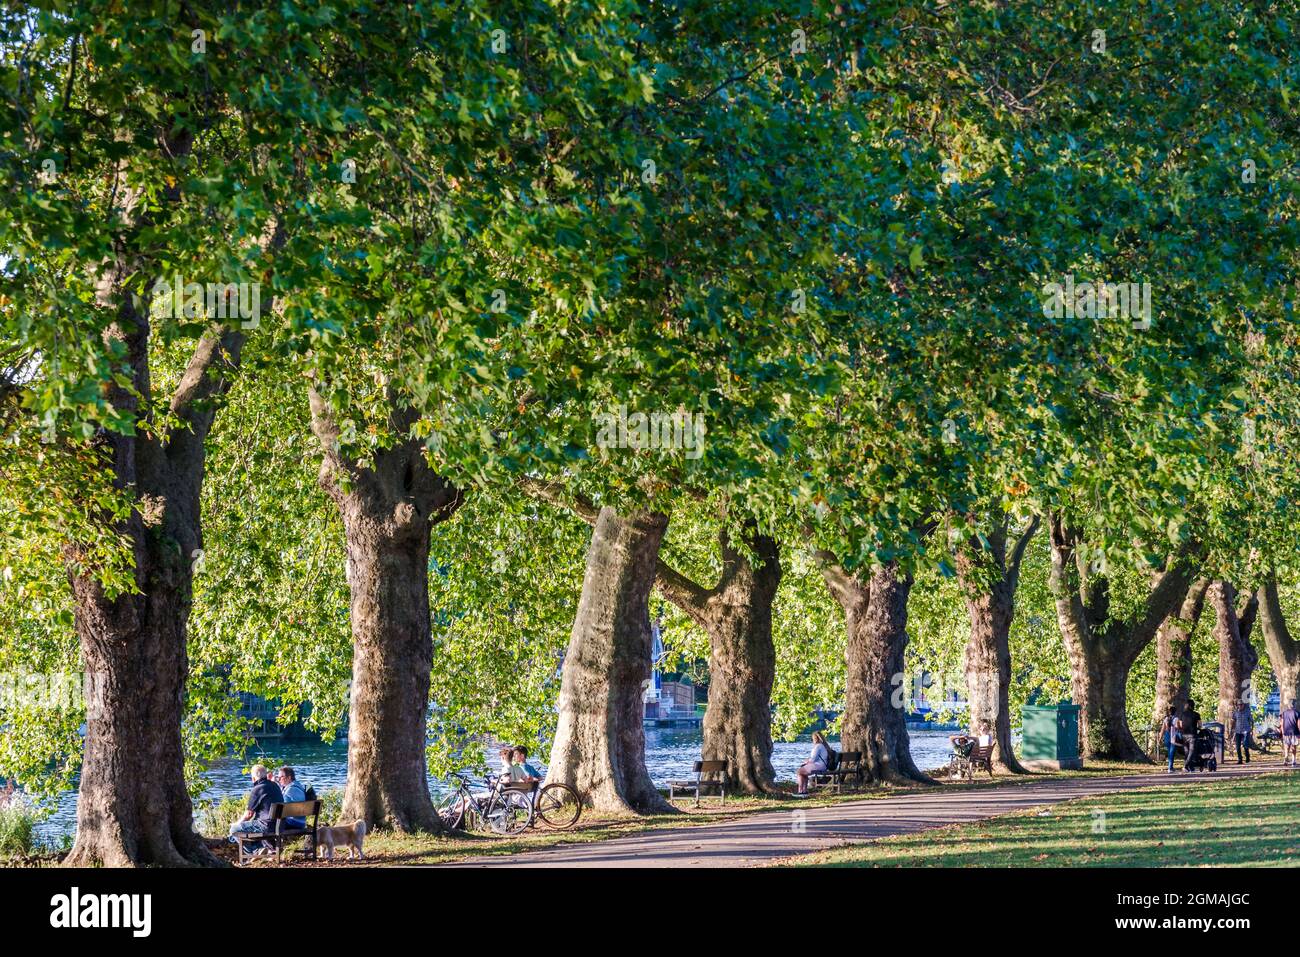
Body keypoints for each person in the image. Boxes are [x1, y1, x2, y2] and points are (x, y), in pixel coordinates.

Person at [229, 765, 283, 854]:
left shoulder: (257, 789)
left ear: (253, 778)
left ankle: (255, 852)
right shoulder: (275, 785)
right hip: (279, 825)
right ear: (265, 775)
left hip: (266, 826)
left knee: (234, 829)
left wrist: (237, 823)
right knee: (255, 822)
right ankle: (263, 849)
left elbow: (249, 814)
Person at [795, 731, 831, 796]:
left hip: (819, 766)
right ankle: (804, 791)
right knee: (803, 772)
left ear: (815, 738)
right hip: (823, 765)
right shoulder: (824, 746)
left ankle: (800, 791)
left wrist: (806, 761)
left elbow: (813, 759)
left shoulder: (818, 746)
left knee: (799, 771)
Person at [1180, 699, 1202, 772]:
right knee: (1192, 751)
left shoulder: (1182, 714)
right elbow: (1200, 725)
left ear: (1187, 705)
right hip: (1192, 734)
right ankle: (1186, 766)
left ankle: (1191, 767)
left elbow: (1180, 724)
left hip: (1184, 735)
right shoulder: (1196, 714)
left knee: (1187, 751)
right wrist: (1197, 727)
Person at [1231, 701, 1253, 765]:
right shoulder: (1235, 712)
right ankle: (1240, 759)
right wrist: (1232, 729)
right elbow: (1233, 720)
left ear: (1243, 705)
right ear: (1237, 705)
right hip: (1238, 731)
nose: (1240, 706)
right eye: (1239, 705)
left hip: (1246, 730)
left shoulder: (1247, 712)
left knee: (1245, 745)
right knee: (1237, 746)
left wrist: (1251, 729)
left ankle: (1247, 757)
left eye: (1241, 704)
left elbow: (1251, 720)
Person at [1158, 706, 1178, 773]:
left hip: (1166, 736)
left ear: (1169, 712)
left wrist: (1160, 738)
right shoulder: (1176, 719)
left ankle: (1171, 767)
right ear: (1175, 712)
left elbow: (1162, 729)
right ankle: (1170, 768)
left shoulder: (1166, 719)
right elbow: (1178, 728)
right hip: (1173, 736)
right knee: (1172, 752)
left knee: (1170, 751)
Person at [1281, 699, 1300, 767]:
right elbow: (1299, 724)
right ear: (1294, 705)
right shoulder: (1297, 713)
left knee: (1287, 746)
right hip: (1295, 732)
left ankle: (1286, 758)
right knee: (1294, 747)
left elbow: (1282, 723)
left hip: (1286, 732)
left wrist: (1283, 732)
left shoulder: (1284, 713)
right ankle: (1293, 761)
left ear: (1289, 705)